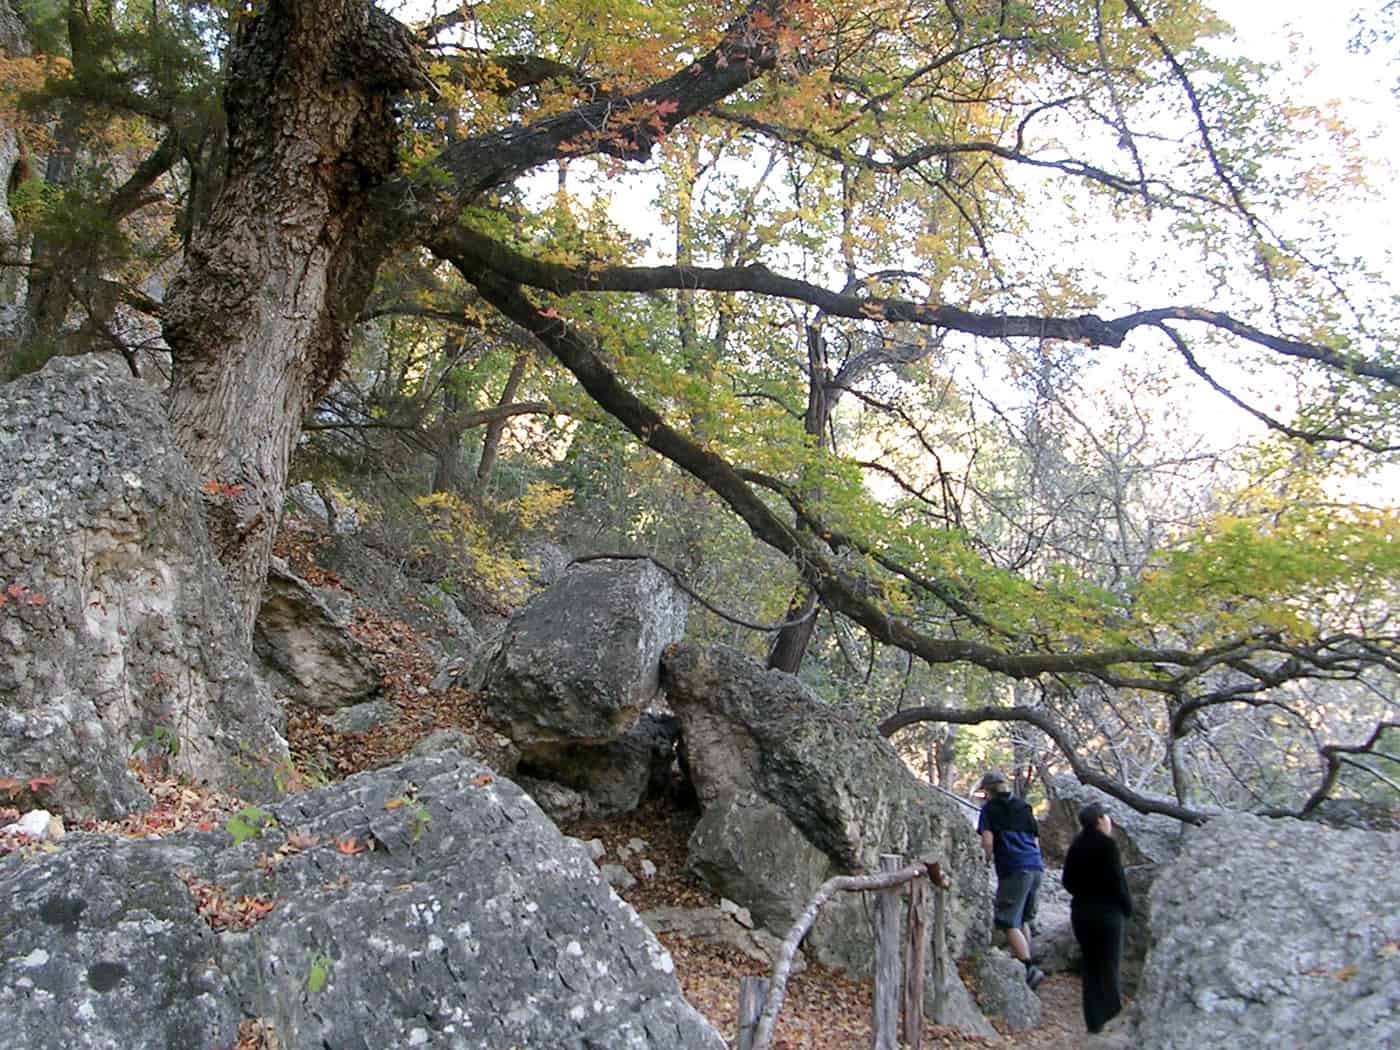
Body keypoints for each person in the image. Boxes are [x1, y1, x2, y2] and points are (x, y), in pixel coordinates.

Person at [1062, 801, 1134, 1034]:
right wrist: (1127, 908)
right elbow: (1118, 883)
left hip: (1082, 912)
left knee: (1091, 967)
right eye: (1107, 817)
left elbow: (1067, 882)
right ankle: (1113, 1019)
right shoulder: (1107, 846)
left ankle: (1093, 1021)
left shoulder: (1076, 846)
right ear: (1100, 821)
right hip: (1108, 914)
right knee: (1109, 968)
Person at [976, 770, 1045, 989]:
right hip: (1035, 867)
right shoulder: (1024, 807)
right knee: (1023, 918)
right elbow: (1035, 841)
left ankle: (1027, 967)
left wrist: (986, 861)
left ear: (987, 791)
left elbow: (987, 841)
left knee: (1007, 921)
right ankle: (1027, 960)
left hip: (1014, 868)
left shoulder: (989, 810)